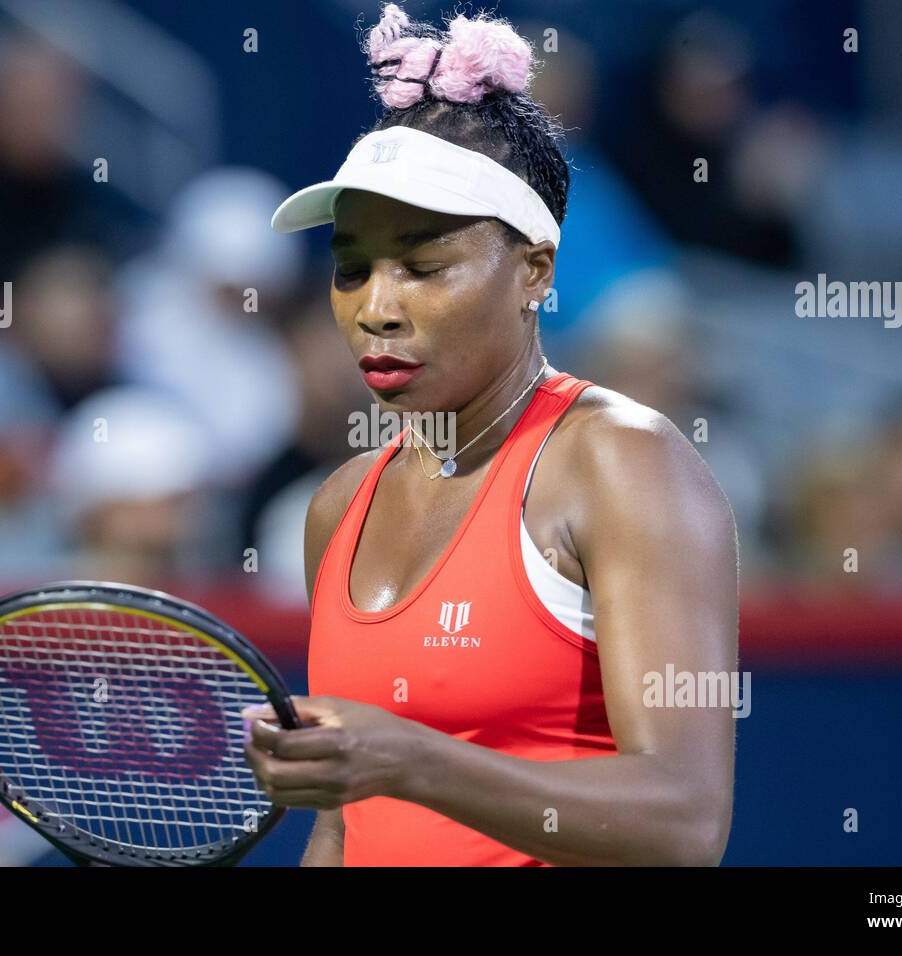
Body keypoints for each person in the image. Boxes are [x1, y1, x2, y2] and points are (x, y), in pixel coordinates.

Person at [244, 4, 738, 867]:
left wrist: (409, 759)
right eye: (352, 268)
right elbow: (343, 828)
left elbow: (684, 822)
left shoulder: (621, 461)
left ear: (534, 273)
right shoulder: (337, 507)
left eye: (424, 267)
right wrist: (369, 778)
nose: (377, 308)